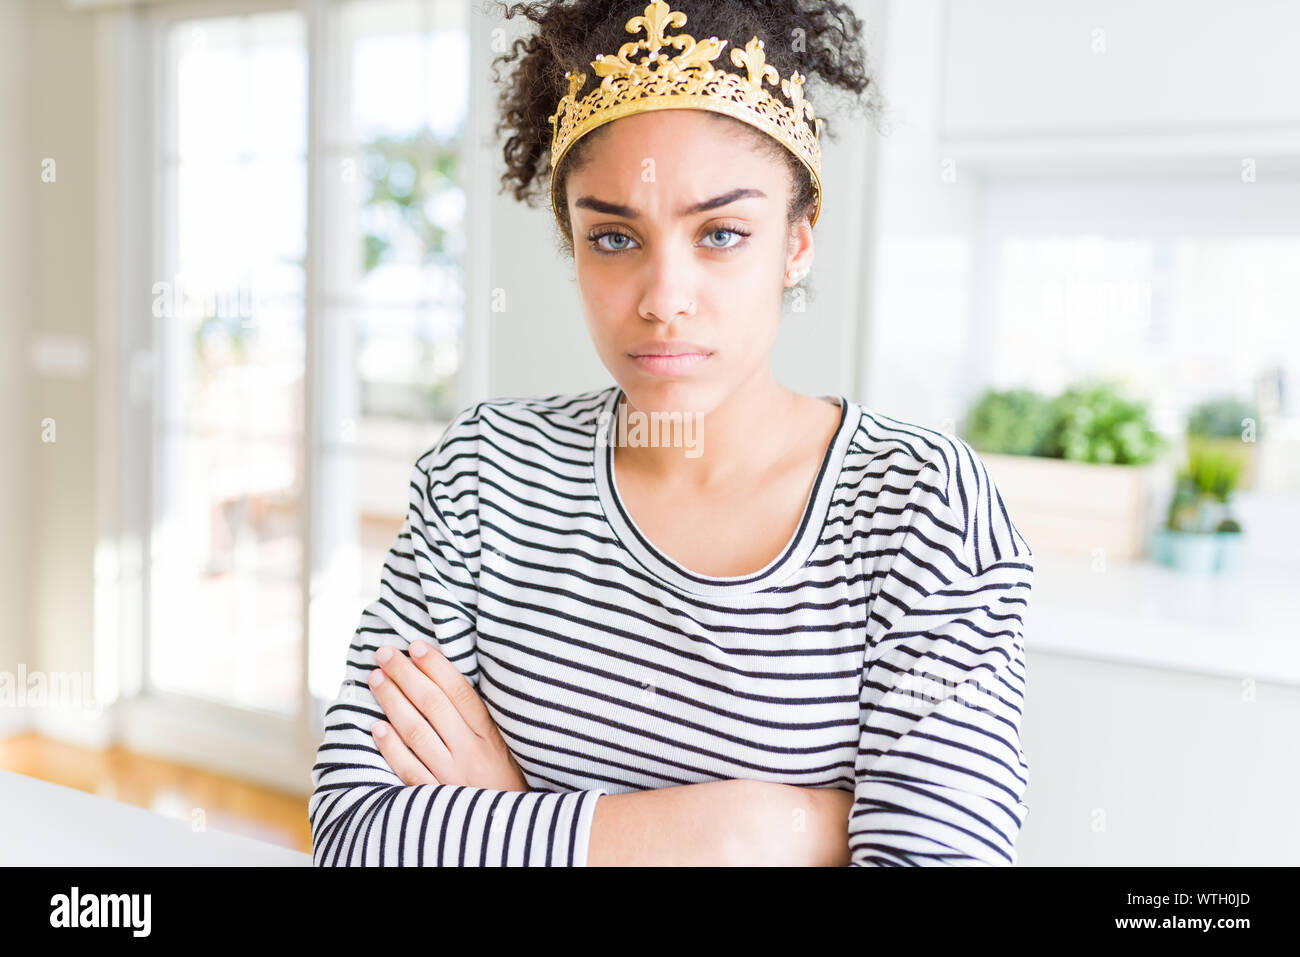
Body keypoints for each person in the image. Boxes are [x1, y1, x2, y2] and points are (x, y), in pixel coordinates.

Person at [309, 0, 1033, 866]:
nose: (662, 297)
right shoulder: (481, 476)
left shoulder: (923, 511)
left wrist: (513, 815)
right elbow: (355, 832)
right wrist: (749, 831)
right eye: (614, 236)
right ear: (570, 241)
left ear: (798, 242)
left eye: (722, 233)